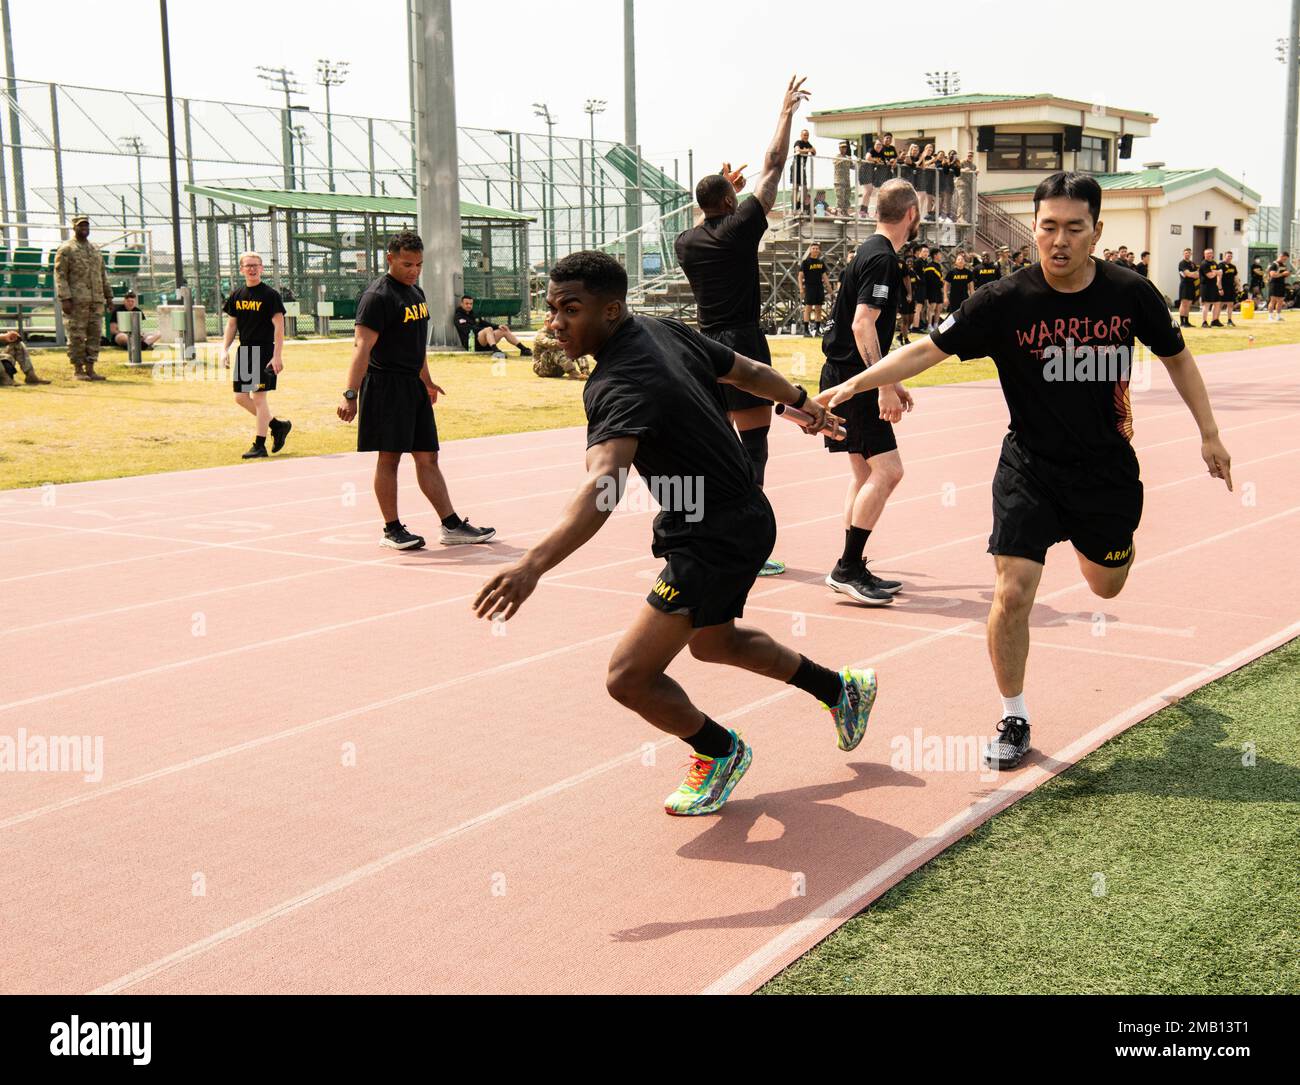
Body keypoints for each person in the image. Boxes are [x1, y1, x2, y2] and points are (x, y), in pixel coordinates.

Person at [815, 171, 1233, 772]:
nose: (1059, 241)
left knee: (1106, 584)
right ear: (1033, 229)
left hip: (1105, 472)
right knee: (1011, 593)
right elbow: (927, 349)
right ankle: (1014, 714)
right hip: (1029, 467)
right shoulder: (1003, 301)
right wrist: (855, 382)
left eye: (1073, 228)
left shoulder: (1129, 293)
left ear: (1096, 231)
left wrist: (1210, 433)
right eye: (1047, 228)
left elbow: (1178, 358)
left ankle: (1110, 550)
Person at [473, 250, 877, 817]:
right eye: (551, 309)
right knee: (715, 642)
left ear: (611, 311)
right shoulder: (661, 329)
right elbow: (748, 372)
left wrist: (532, 564)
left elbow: (604, 487)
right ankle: (841, 690)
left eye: (570, 309)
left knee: (629, 677)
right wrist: (801, 401)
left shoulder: (618, 384)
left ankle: (719, 752)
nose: (554, 323)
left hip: (713, 534)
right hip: (734, 518)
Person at [675, 75, 810, 578]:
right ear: (731, 203)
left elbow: (704, 212)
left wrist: (720, 193)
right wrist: (784, 113)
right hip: (742, 344)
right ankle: (745, 542)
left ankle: (706, 534)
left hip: (703, 346)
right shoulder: (738, 229)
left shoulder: (686, 242)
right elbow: (774, 166)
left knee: (718, 445)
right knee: (753, 448)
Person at [337, 231, 496, 550]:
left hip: (412, 385)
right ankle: (391, 529)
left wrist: (426, 380)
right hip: (385, 387)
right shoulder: (377, 297)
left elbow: (416, 344)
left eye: (419, 264)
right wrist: (350, 394)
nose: (414, 270)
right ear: (390, 258)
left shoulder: (416, 293)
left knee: (428, 457)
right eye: (407, 264)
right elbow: (361, 348)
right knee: (390, 457)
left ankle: (451, 526)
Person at [818, 179, 919, 606]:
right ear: (912, 214)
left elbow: (867, 328)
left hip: (846, 376)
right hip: (854, 383)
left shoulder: (869, 250)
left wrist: (893, 379)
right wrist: (883, 388)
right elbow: (863, 324)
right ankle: (847, 568)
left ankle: (852, 565)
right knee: (889, 471)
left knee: (863, 475)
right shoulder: (882, 259)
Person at [220, 252, 291, 461]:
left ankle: (259, 445)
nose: (251, 269)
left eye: (255, 265)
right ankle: (277, 426)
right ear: (241, 269)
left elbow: (279, 327)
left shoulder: (270, 295)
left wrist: (277, 356)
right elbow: (232, 324)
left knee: (259, 398)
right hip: (246, 350)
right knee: (240, 398)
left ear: (261, 269)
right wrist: (224, 349)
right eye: (247, 266)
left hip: (264, 351)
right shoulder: (237, 295)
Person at [53, 214, 113, 381]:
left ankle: (91, 368)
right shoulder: (66, 249)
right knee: (76, 335)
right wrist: (64, 298)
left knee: (94, 334)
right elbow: (60, 275)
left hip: (96, 300)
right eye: (81, 226)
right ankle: (78, 369)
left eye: (86, 225)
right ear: (74, 228)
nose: (84, 228)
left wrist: (109, 297)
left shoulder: (95, 249)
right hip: (76, 301)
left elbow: (102, 275)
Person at [452, 295, 532, 359]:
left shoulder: (472, 314)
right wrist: (487, 331)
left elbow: (484, 323)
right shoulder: (459, 316)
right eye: (466, 304)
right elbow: (469, 330)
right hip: (472, 344)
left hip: (484, 341)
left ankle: (523, 349)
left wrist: (498, 326)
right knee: (488, 329)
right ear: (461, 304)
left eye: (471, 304)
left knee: (503, 329)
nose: (469, 306)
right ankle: (496, 352)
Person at [798, 242, 829, 336]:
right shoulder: (806, 262)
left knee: (818, 308)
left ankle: (818, 330)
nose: (815, 250)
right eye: (813, 248)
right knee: (808, 308)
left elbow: (824, 276)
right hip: (809, 287)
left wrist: (829, 287)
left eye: (817, 248)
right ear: (810, 250)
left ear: (819, 250)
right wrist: (801, 288)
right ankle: (806, 331)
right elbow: (800, 276)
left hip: (819, 287)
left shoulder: (821, 262)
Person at [791, 128, 815, 213]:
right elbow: (797, 150)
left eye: (807, 135)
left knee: (804, 188)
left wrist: (809, 150)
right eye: (804, 135)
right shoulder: (798, 142)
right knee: (796, 187)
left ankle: (799, 204)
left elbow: (814, 151)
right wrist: (808, 150)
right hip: (796, 167)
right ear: (801, 135)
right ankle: (794, 207)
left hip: (802, 168)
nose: (806, 136)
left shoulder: (808, 143)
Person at [1197, 247, 1222, 328]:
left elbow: (1220, 274)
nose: (1209, 255)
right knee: (1206, 304)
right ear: (1204, 255)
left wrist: (1219, 284)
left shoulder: (1214, 263)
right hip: (1206, 286)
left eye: (1210, 253)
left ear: (1213, 254)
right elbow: (1210, 276)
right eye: (1207, 254)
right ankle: (1204, 322)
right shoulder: (1204, 264)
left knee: (1217, 303)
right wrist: (1217, 272)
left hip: (1214, 286)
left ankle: (1214, 320)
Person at [1176, 247, 1198, 327]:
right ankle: (1182, 322)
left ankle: (1187, 321)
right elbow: (1188, 273)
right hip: (1184, 285)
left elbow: (1197, 275)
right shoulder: (1182, 263)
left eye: (1189, 253)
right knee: (1184, 303)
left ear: (1191, 254)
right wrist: (1192, 273)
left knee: (1189, 304)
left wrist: (1192, 274)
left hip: (1191, 285)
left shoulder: (1192, 263)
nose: (1187, 254)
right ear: (1183, 254)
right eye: (1186, 253)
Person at [833, 140, 854, 218]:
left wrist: (859, 163)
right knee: (840, 198)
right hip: (839, 181)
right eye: (842, 147)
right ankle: (839, 212)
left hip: (847, 181)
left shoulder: (848, 157)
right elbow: (836, 163)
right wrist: (844, 159)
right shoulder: (837, 156)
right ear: (839, 148)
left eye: (845, 147)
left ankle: (845, 212)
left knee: (847, 197)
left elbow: (852, 166)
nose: (844, 149)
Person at [1267, 252, 1289, 321]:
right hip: (1274, 284)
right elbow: (1272, 274)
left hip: (1281, 284)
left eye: (1286, 259)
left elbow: (1284, 275)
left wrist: (1287, 274)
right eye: (1284, 259)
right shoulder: (1274, 264)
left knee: (1280, 301)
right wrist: (1283, 274)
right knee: (1273, 300)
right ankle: (1270, 316)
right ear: (1281, 256)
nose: (1285, 260)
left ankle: (1278, 316)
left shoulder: (1283, 265)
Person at [1219, 252, 1238, 327]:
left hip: (1231, 287)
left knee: (1230, 304)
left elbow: (1235, 277)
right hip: (1223, 287)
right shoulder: (1221, 265)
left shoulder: (1233, 266)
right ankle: (1216, 319)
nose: (1229, 257)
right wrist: (1219, 288)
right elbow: (1219, 277)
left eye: (1231, 256)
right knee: (1220, 304)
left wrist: (1238, 286)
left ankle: (1229, 320)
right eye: (1228, 256)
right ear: (1224, 256)